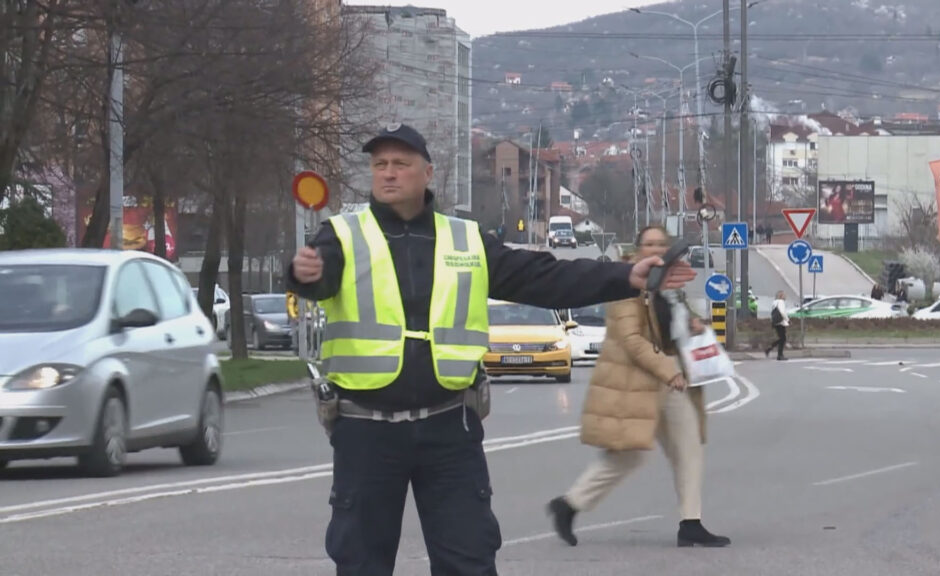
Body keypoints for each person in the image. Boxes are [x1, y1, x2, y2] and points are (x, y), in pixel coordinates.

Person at [287, 123, 698, 576]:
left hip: (449, 428)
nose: (388, 174)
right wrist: (303, 274)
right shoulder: (342, 235)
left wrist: (625, 277)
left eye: (400, 164)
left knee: (470, 561)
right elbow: (317, 277)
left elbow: (541, 276)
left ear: (427, 173)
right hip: (366, 430)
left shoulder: (465, 239)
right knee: (361, 563)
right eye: (379, 164)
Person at [547, 225, 730, 548]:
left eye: (662, 243)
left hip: (670, 378)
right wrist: (668, 371)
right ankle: (569, 504)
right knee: (628, 456)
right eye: (649, 244)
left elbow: (668, 324)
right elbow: (632, 340)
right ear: (638, 248)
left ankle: (691, 522)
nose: (656, 249)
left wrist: (691, 323)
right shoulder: (626, 283)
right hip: (637, 381)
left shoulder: (669, 285)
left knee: (688, 448)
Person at [766, 290, 789, 361]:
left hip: (775, 322)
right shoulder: (781, 302)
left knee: (781, 338)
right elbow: (782, 312)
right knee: (783, 339)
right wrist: (787, 319)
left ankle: (770, 349)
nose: (785, 296)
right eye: (784, 295)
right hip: (781, 322)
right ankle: (779, 355)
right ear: (781, 296)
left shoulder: (774, 302)